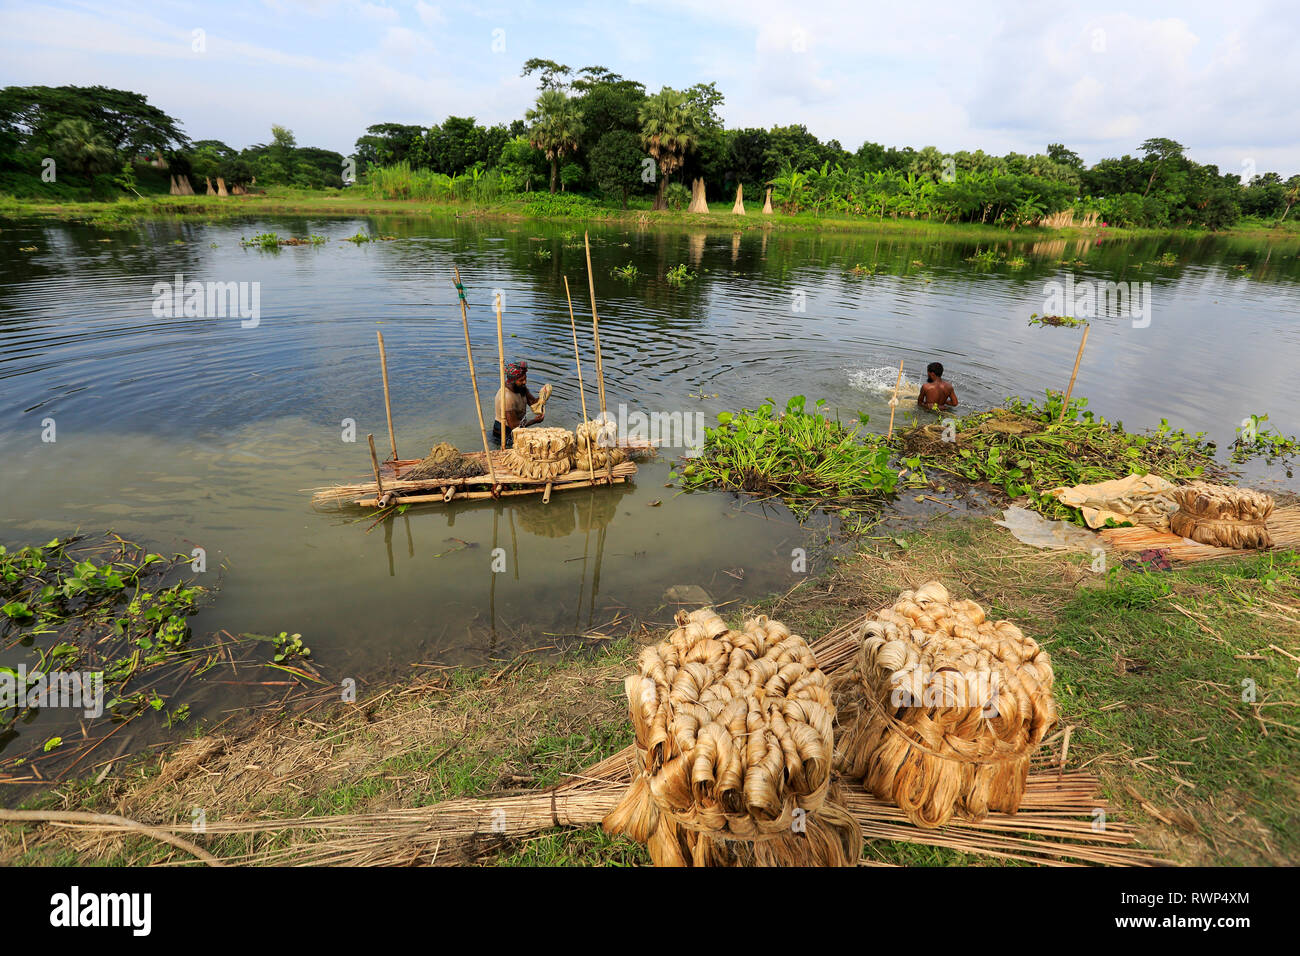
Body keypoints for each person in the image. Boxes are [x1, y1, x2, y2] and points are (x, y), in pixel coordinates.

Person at [492, 361, 544, 448]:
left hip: (518, 426)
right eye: (521, 380)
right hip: (504, 433)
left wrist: (543, 396)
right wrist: (534, 421)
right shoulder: (507, 397)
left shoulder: (521, 387)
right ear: (512, 381)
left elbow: (532, 402)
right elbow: (514, 426)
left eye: (525, 378)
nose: (525, 382)